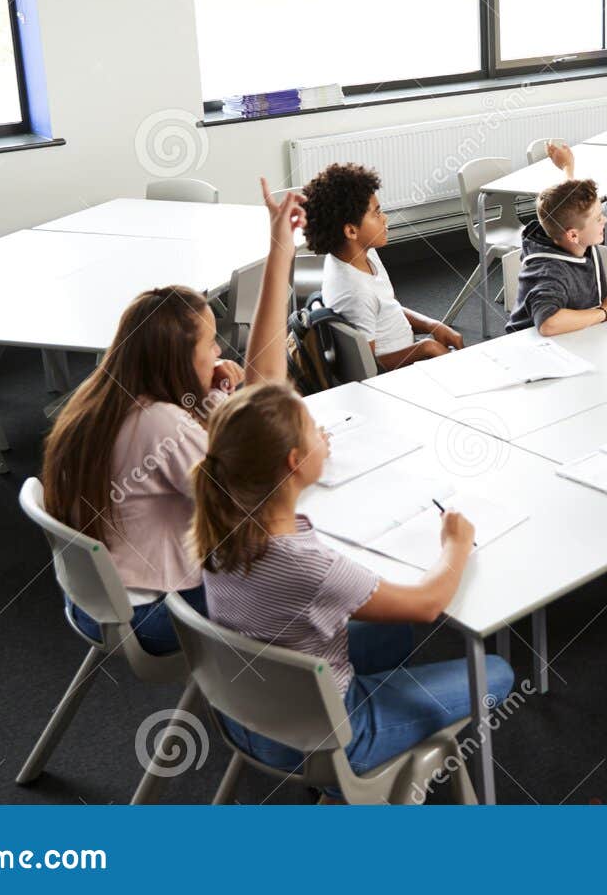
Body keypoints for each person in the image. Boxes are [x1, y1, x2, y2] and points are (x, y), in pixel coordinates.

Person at [190, 180, 513, 787]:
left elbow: (264, 388)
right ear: (290, 463)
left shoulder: (223, 520)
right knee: (495, 673)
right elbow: (426, 604)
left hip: (248, 716)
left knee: (384, 630)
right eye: (314, 429)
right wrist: (456, 544)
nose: (326, 433)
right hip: (332, 737)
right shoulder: (307, 562)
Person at [40, 283, 243, 654]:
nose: (219, 352)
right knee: (288, 596)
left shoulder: (99, 398)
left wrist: (214, 394)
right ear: (179, 358)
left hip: (91, 600)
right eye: (211, 343)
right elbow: (239, 500)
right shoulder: (163, 423)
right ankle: (267, 700)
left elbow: (190, 447)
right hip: (148, 617)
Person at [302, 163, 464, 370]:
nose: (384, 218)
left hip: (410, 354)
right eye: (377, 213)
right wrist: (424, 349)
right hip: (397, 375)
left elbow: (388, 307)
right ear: (351, 231)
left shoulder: (360, 254)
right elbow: (365, 367)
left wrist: (431, 325)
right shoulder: (355, 292)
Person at [505, 141, 607, 334]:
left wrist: (568, 167)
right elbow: (548, 323)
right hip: (537, 348)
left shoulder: (562, 229)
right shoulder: (548, 271)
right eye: (597, 218)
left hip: (575, 335)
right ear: (573, 235)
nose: (604, 219)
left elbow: (568, 204)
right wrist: (604, 312)